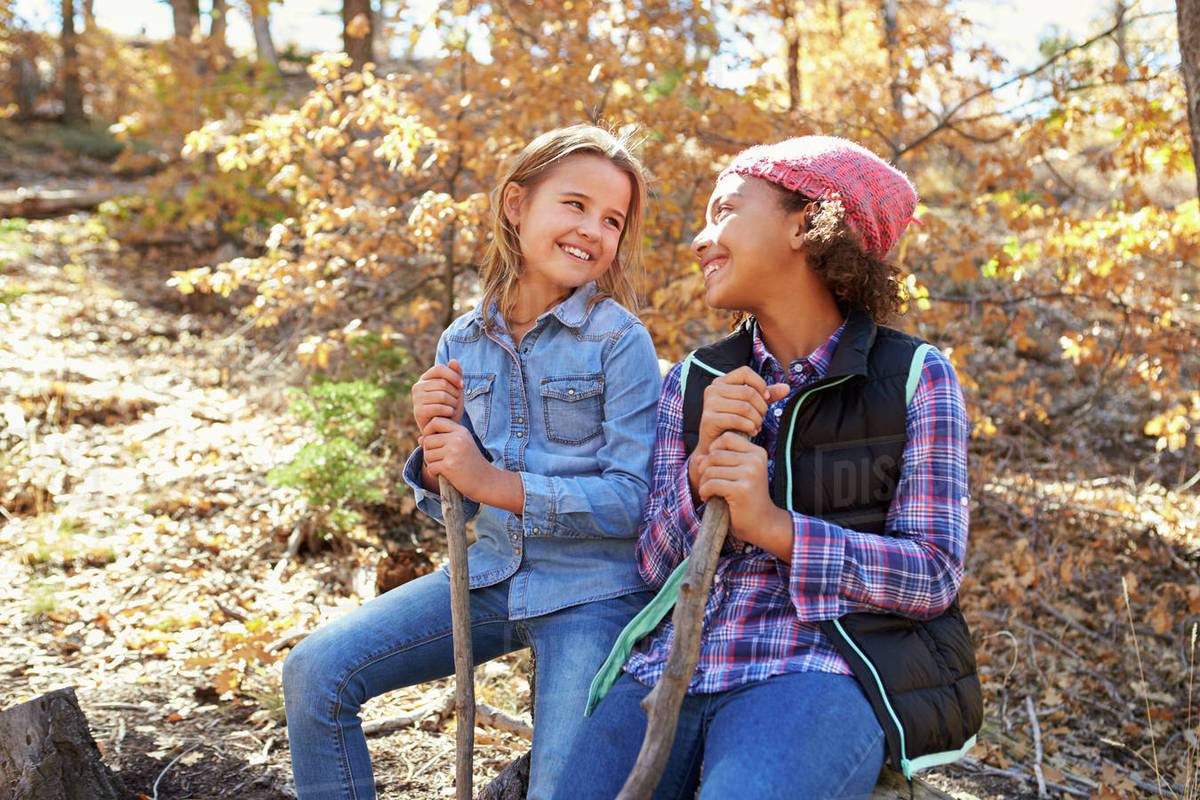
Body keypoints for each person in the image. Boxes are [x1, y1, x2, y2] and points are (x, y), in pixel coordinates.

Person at [556, 135, 981, 800]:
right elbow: (653, 567)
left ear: (804, 224)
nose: (701, 239)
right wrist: (699, 482)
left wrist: (776, 528)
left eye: (725, 211)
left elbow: (932, 574)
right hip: (671, 668)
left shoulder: (915, 376)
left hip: (823, 666)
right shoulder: (694, 380)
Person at [282, 124, 662, 800]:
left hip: (592, 592)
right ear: (517, 205)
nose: (593, 230)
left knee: (560, 792)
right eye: (574, 205)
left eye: (612, 219)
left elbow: (633, 499)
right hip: (486, 576)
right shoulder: (462, 338)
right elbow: (451, 499)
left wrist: (495, 482)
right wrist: (434, 452)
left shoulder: (620, 342)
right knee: (316, 673)